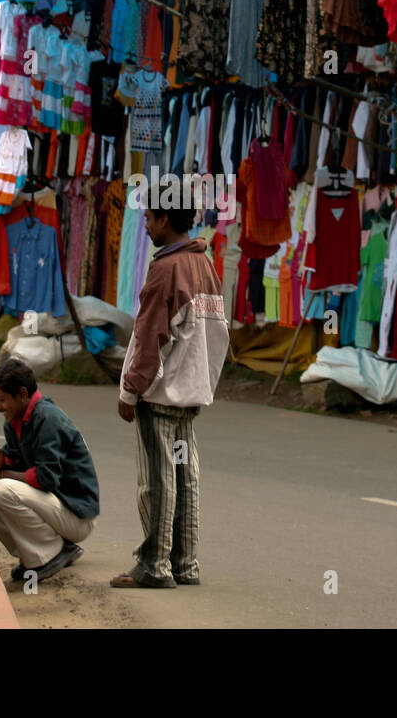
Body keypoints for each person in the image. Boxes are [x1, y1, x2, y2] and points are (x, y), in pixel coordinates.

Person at [113, 202, 229, 588]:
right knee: (185, 477)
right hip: (190, 394)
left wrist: (131, 391)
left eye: (148, 218)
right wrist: (203, 383)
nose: (144, 225)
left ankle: (154, 566)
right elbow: (217, 335)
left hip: (160, 395)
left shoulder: (166, 269)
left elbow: (150, 338)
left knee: (158, 481)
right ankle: (184, 563)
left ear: (165, 220)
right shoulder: (205, 267)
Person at [0, 358, 99, 583]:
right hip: (51, 507)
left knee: (2, 489)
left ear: (21, 394)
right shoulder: (14, 420)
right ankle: (33, 553)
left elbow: (46, 479)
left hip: (76, 516)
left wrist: (5, 473)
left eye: (1, 400)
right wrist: (1, 463)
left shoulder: (49, 418)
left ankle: (50, 555)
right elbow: (18, 464)